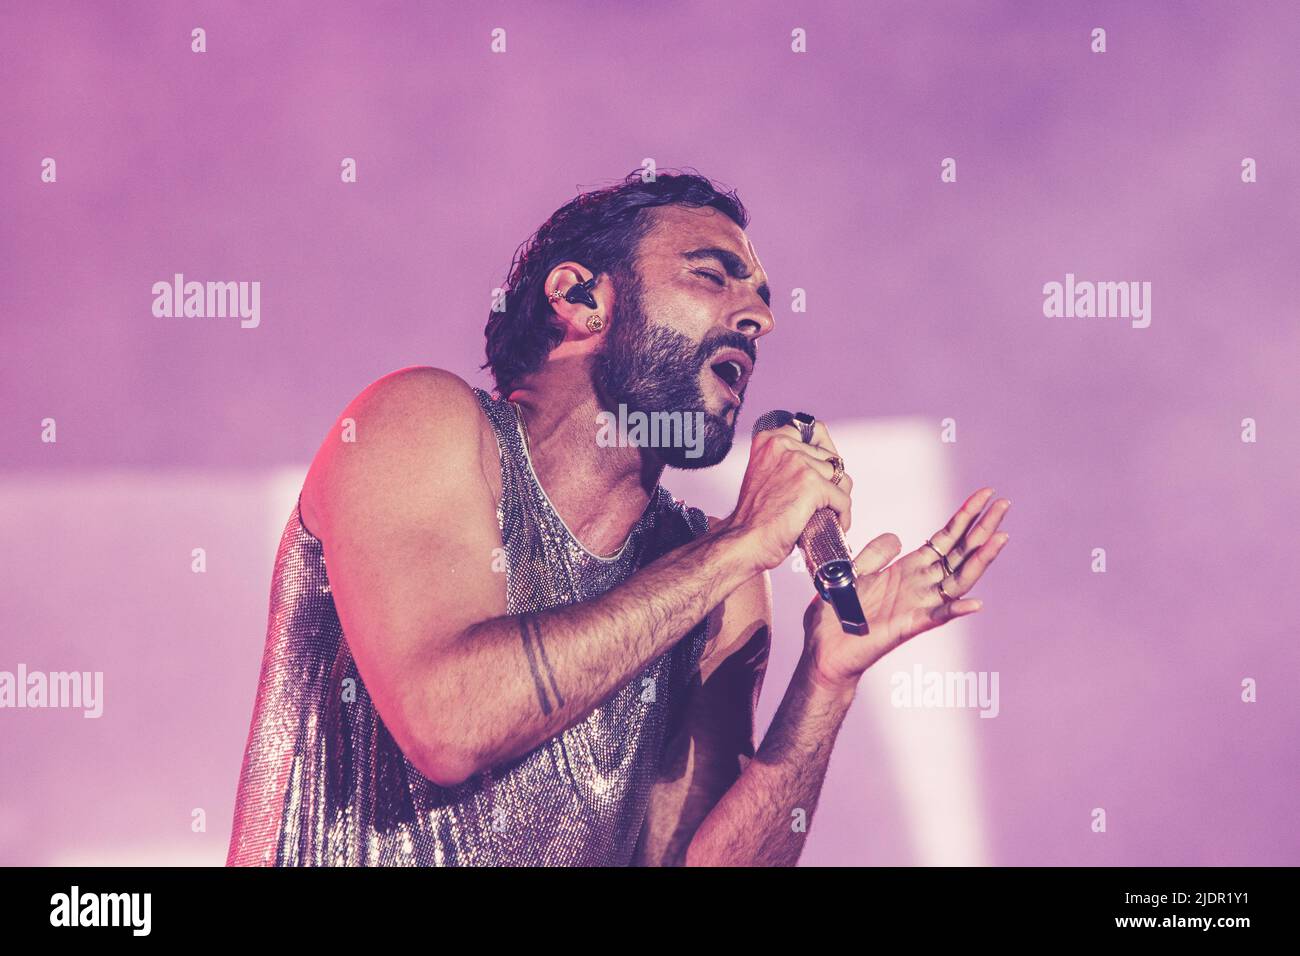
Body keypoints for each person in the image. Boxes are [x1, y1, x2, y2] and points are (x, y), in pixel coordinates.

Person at [226, 169, 1011, 866]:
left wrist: (825, 681)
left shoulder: (720, 582)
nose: (758, 320)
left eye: (763, 300)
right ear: (581, 299)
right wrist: (740, 543)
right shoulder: (417, 419)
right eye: (713, 276)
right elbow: (448, 724)